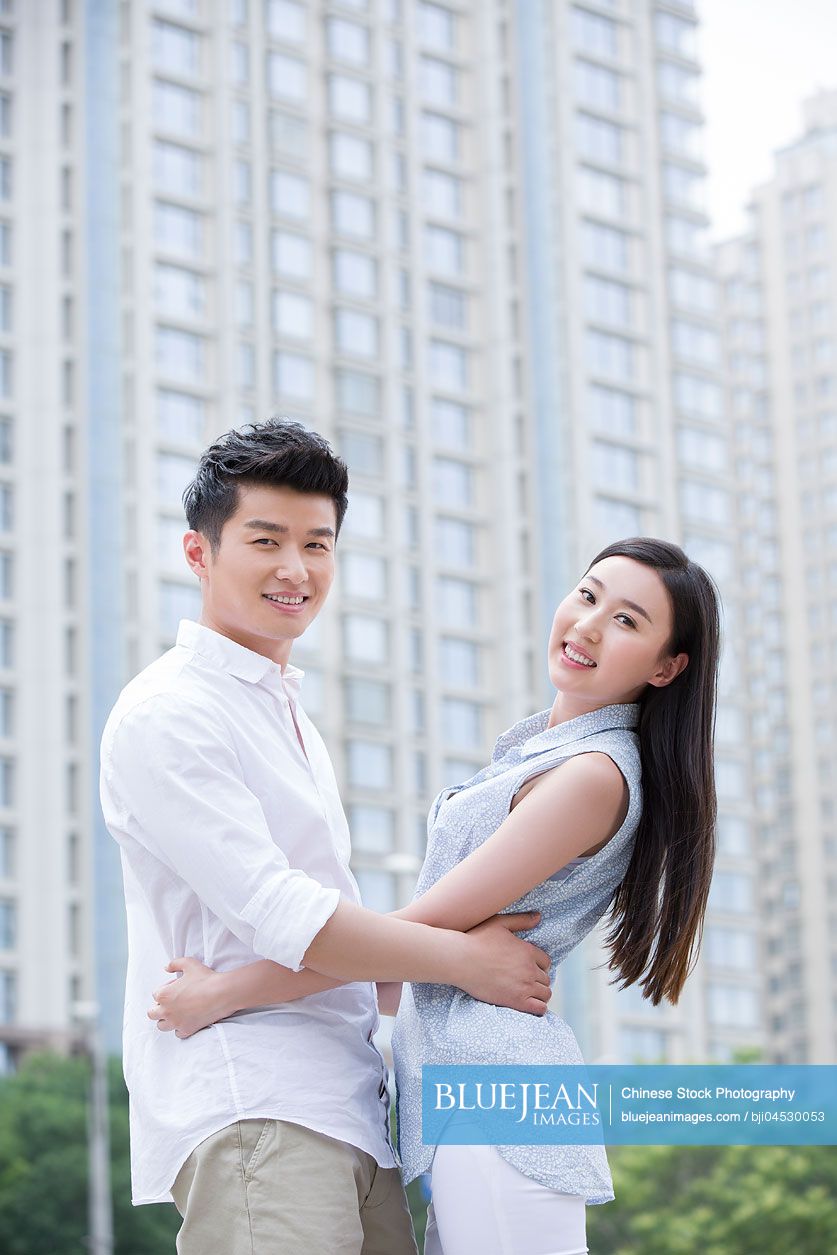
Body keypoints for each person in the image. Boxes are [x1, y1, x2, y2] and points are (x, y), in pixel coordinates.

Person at [154, 536, 720, 1255]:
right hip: (468, 1090)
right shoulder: (540, 755)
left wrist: (228, 992)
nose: (586, 626)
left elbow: (416, 931)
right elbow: (422, 961)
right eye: (587, 595)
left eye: (627, 621)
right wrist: (441, 967)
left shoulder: (590, 775)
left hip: (498, 1093)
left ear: (668, 666)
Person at [99, 419, 552, 1255]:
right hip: (256, 1103)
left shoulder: (284, 711)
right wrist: (462, 956)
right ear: (198, 554)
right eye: (265, 540)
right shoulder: (172, 711)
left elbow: (338, 953)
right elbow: (289, 914)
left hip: (351, 1106)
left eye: (318, 543)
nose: (295, 568)